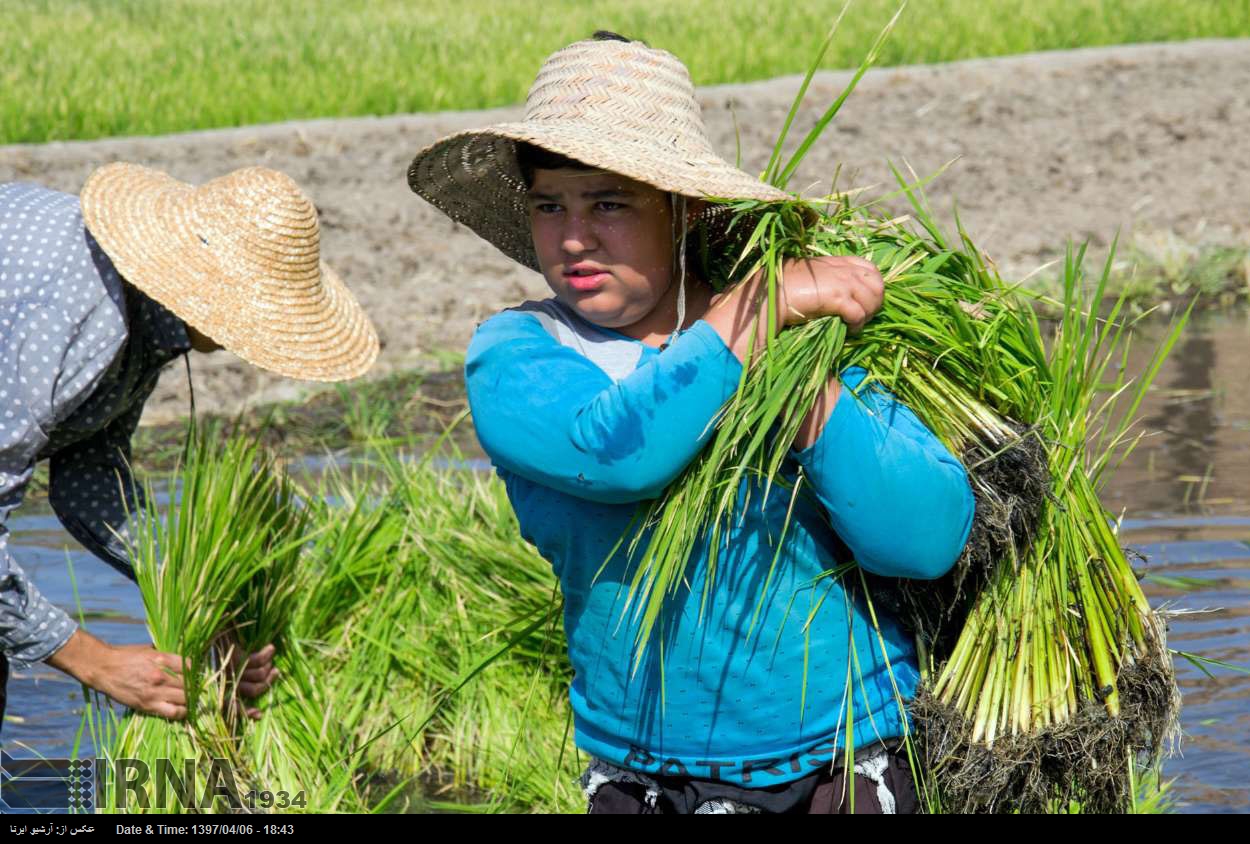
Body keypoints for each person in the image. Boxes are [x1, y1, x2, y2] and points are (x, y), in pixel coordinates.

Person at [408, 33, 974, 813]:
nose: (574, 238)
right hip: (650, 782)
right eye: (550, 205)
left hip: (851, 765)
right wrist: (756, 308)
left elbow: (924, 538)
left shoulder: (804, 342)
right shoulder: (518, 356)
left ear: (683, 209)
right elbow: (616, 455)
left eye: (608, 202)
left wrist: (801, 391)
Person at [0, 163, 379, 727]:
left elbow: (91, 474)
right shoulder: (77, 313)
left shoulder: (144, 310)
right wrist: (97, 662)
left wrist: (204, 603)